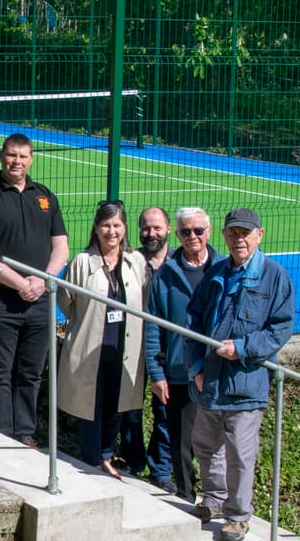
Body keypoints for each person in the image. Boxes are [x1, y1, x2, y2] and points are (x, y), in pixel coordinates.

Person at [186, 208, 295, 541]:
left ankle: (237, 516)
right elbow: (193, 320)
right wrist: (197, 367)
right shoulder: (216, 272)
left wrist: (243, 348)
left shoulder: (274, 276)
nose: (239, 240)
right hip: (210, 381)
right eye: (233, 233)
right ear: (224, 235)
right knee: (205, 445)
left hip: (245, 384)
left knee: (239, 455)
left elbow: (280, 329)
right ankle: (214, 499)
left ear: (260, 235)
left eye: (245, 233)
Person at [0, 133, 69, 447]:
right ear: (2, 156)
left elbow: (61, 247)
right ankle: (0, 437)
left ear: (31, 159)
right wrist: (22, 283)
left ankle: (24, 433)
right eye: (12, 155)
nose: (17, 161)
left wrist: (43, 280)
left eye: (23, 156)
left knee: (31, 371)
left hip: (40, 301)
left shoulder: (45, 197)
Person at [58, 201, 149, 478]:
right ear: (96, 229)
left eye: (117, 225)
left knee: (117, 402)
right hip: (91, 346)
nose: (112, 231)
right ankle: (92, 457)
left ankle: (107, 453)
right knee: (91, 404)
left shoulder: (136, 261)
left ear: (125, 228)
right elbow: (66, 301)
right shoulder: (82, 262)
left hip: (124, 346)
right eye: (106, 225)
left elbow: (144, 299)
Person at [143, 207, 222, 502]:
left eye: (198, 231)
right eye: (186, 231)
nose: (193, 236)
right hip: (178, 371)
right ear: (177, 235)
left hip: (216, 371)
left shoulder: (224, 269)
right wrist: (157, 373)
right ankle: (186, 496)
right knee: (179, 440)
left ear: (208, 232)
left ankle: (216, 498)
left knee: (216, 441)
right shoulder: (166, 275)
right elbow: (153, 327)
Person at [121, 206, 175, 489]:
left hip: (166, 347)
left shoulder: (179, 262)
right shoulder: (129, 260)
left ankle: (160, 470)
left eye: (157, 228)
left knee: (165, 409)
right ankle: (133, 461)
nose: (151, 233)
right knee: (129, 408)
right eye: (146, 228)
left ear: (168, 229)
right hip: (131, 344)